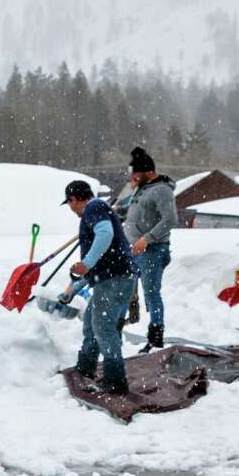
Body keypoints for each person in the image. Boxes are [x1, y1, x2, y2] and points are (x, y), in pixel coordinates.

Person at [58, 180, 138, 395]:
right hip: (112, 277)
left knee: (103, 326)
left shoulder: (94, 206)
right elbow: (99, 261)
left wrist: (86, 263)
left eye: (69, 203)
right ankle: (86, 367)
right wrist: (73, 288)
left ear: (74, 199)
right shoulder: (97, 209)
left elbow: (105, 234)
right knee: (91, 323)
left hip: (115, 278)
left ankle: (115, 380)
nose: (71, 208)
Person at [122, 146, 177, 352]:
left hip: (153, 250)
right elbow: (138, 212)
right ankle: (128, 319)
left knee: (152, 293)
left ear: (148, 172)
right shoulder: (142, 188)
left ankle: (156, 337)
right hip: (135, 249)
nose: (132, 178)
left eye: (135, 173)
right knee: (126, 286)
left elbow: (170, 219)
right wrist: (118, 211)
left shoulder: (162, 190)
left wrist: (147, 239)